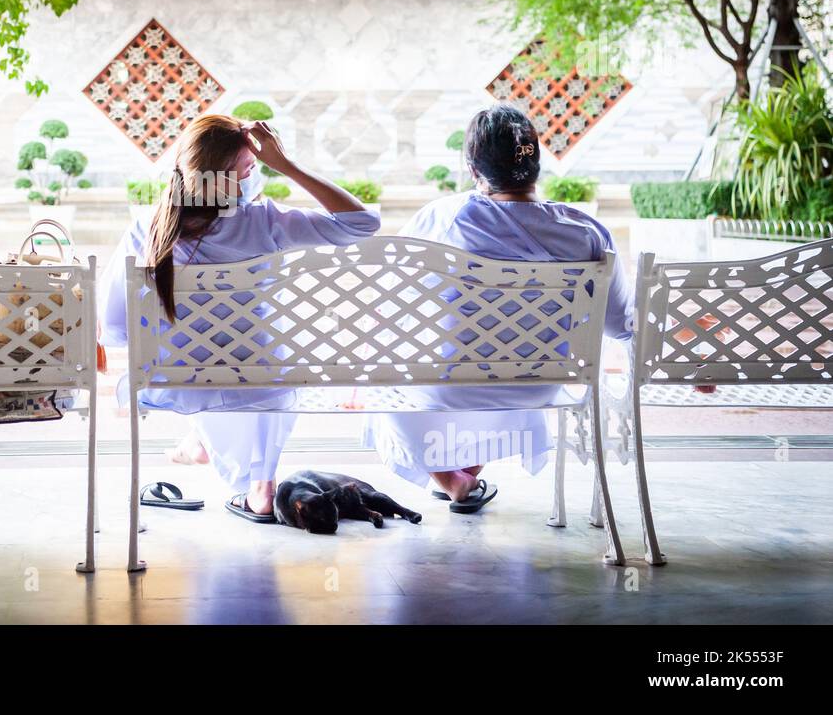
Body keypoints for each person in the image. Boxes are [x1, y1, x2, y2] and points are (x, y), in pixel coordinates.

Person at [98, 115, 381, 521]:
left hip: (179, 378)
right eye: (250, 170)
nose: (255, 178)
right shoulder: (266, 221)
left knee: (207, 359)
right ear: (225, 182)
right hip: (263, 378)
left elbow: (115, 326)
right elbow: (364, 223)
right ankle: (261, 487)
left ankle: (200, 444)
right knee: (260, 362)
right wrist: (288, 166)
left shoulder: (149, 227)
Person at [361, 104, 635, 513]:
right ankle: (460, 479)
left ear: (475, 170)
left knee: (392, 379)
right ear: (537, 163)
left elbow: (389, 303)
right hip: (536, 381)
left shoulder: (441, 218)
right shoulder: (585, 232)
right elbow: (620, 324)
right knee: (496, 369)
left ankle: (451, 479)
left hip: (446, 380)